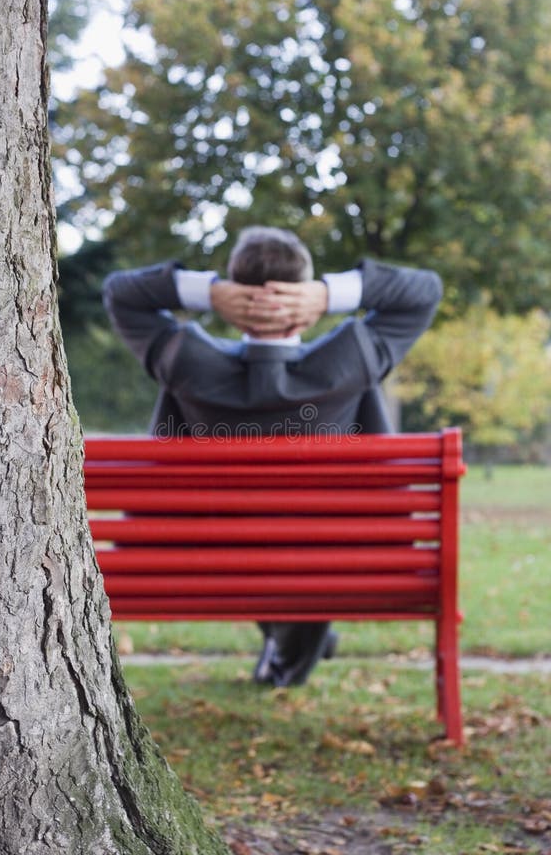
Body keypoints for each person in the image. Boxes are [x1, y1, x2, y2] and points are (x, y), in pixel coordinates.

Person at [103, 226, 442, 687]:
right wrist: (329, 295)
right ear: (302, 303)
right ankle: (289, 655)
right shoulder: (352, 358)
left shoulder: (187, 362)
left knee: (253, 524)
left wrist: (207, 292)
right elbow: (425, 291)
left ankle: (285, 647)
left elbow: (120, 293)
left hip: (210, 560)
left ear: (234, 304)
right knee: (305, 534)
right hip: (330, 563)